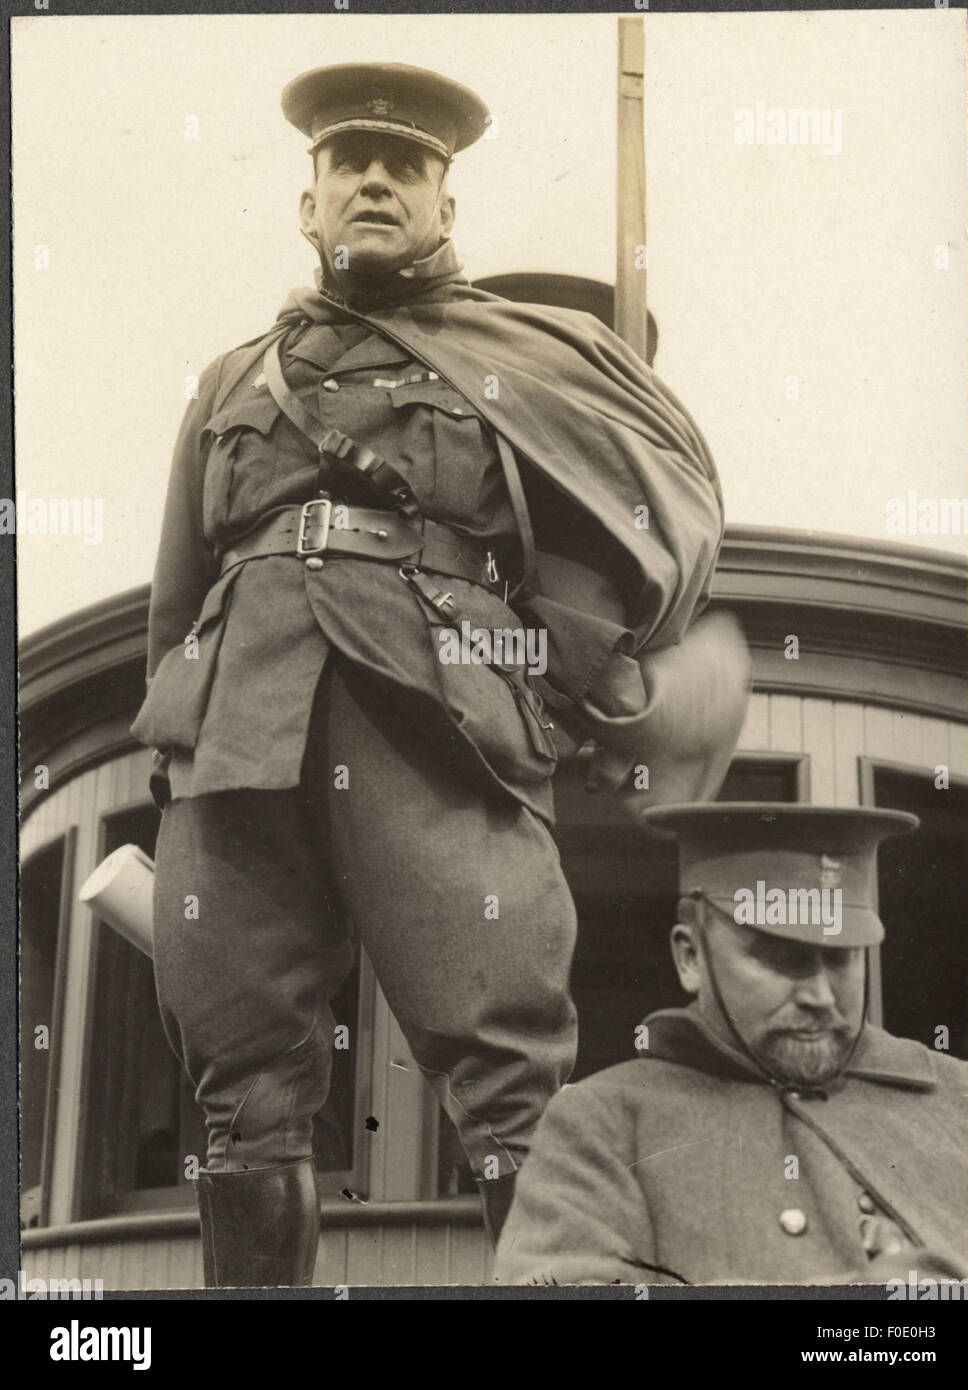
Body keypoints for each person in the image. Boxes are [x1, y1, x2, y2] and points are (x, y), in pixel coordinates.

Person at [130, 61, 750, 1287]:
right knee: (241, 1080)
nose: (373, 179)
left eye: (404, 166)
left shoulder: (523, 360)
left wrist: (581, 689)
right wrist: (179, 739)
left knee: (504, 1063)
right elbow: (177, 584)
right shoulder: (229, 380)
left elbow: (593, 561)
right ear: (306, 205)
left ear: (445, 208)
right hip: (241, 724)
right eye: (347, 164)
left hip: (434, 711)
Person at [493, 804, 968, 1287]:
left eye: (840, 958)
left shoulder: (962, 1098)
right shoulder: (605, 1124)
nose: (820, 997)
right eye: (780, 957)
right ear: (690, 957)